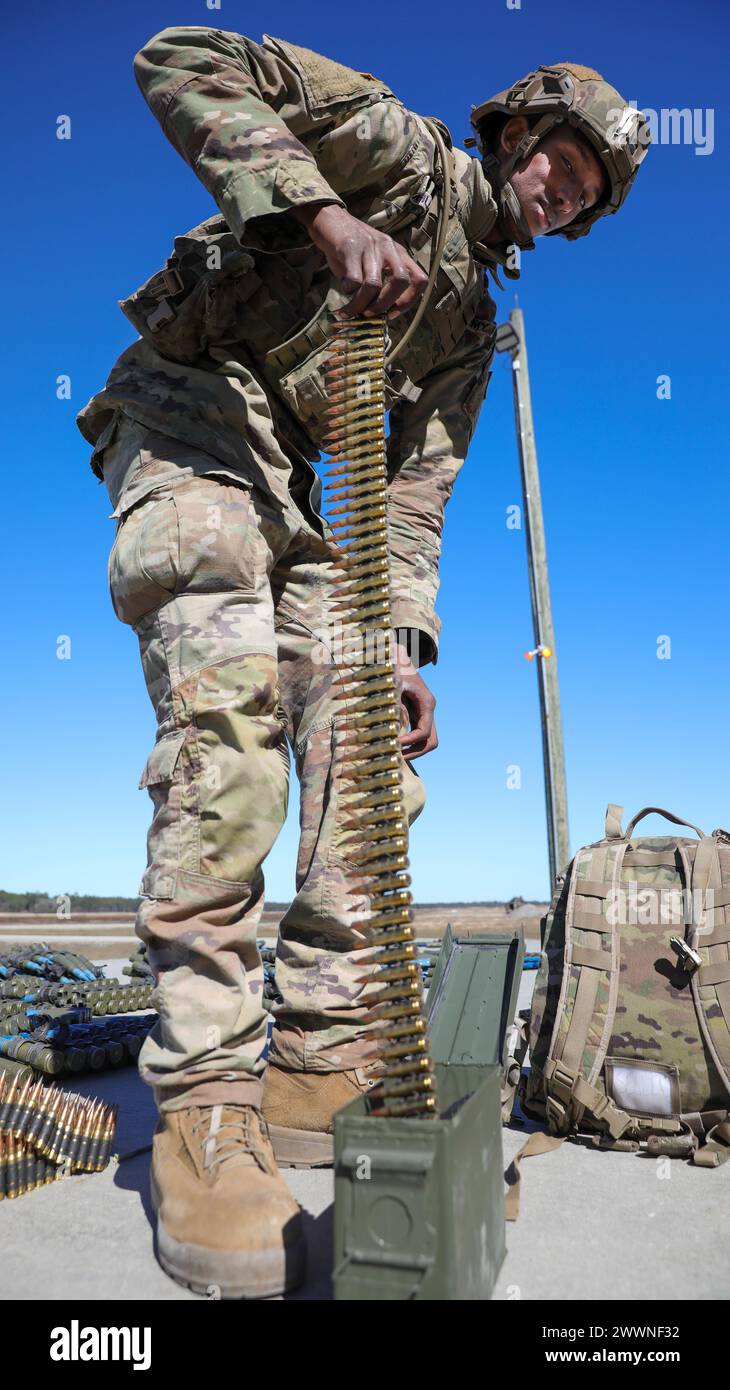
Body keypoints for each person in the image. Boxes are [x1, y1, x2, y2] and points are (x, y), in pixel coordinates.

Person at [77, 27, 649, 1297]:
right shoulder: (386, 145)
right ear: (518, 130)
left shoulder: (466, 334)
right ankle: (208, 1098)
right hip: (193, 417)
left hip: (319, 502)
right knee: (226, 707)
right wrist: (325, 216)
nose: (565, 195)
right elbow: (177, 59)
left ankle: (318, 1052)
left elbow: (414, 500)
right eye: (567, 160)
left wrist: (398, 648)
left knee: (366, 747)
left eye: (589, 196)